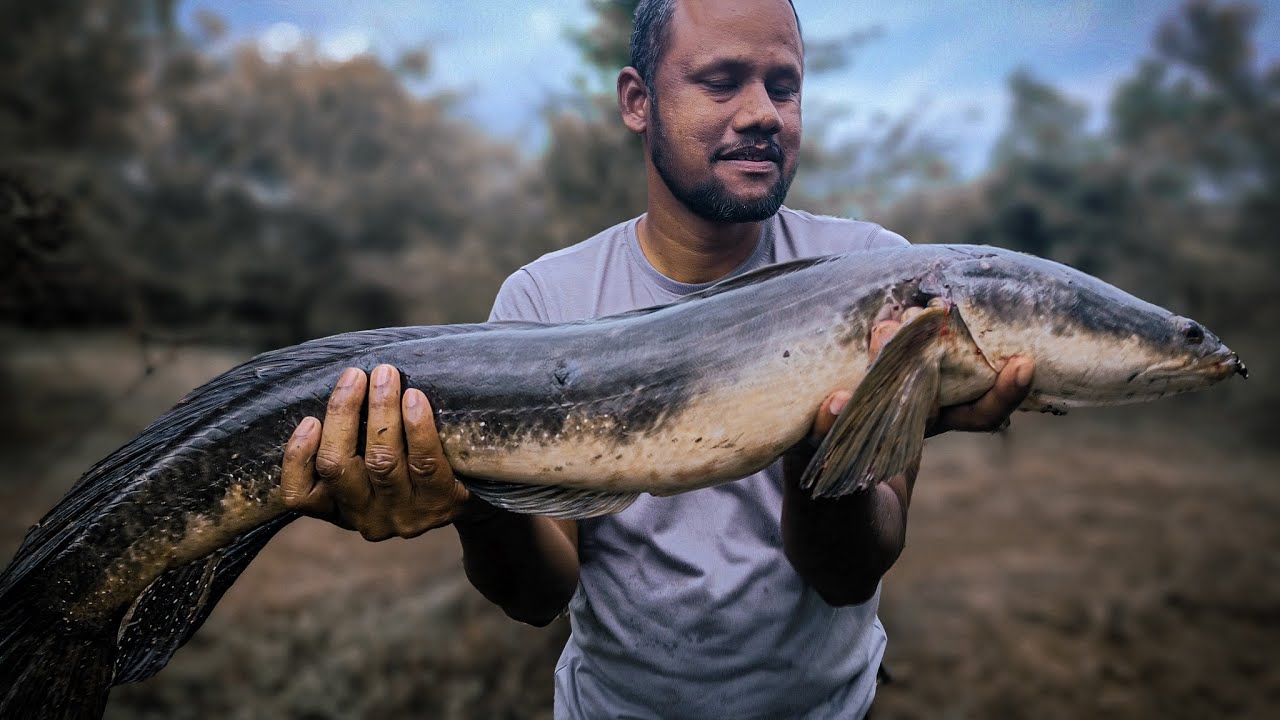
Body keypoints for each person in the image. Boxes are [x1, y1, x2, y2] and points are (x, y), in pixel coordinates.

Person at [279, 0, 1034, 717]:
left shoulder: (879, 274)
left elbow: (848, 573)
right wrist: (473, 503)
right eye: (721, 81)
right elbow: (537, 595)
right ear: (637, 101)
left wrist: (844, 434)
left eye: (784, 86)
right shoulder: (546, 300)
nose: (763, 113)